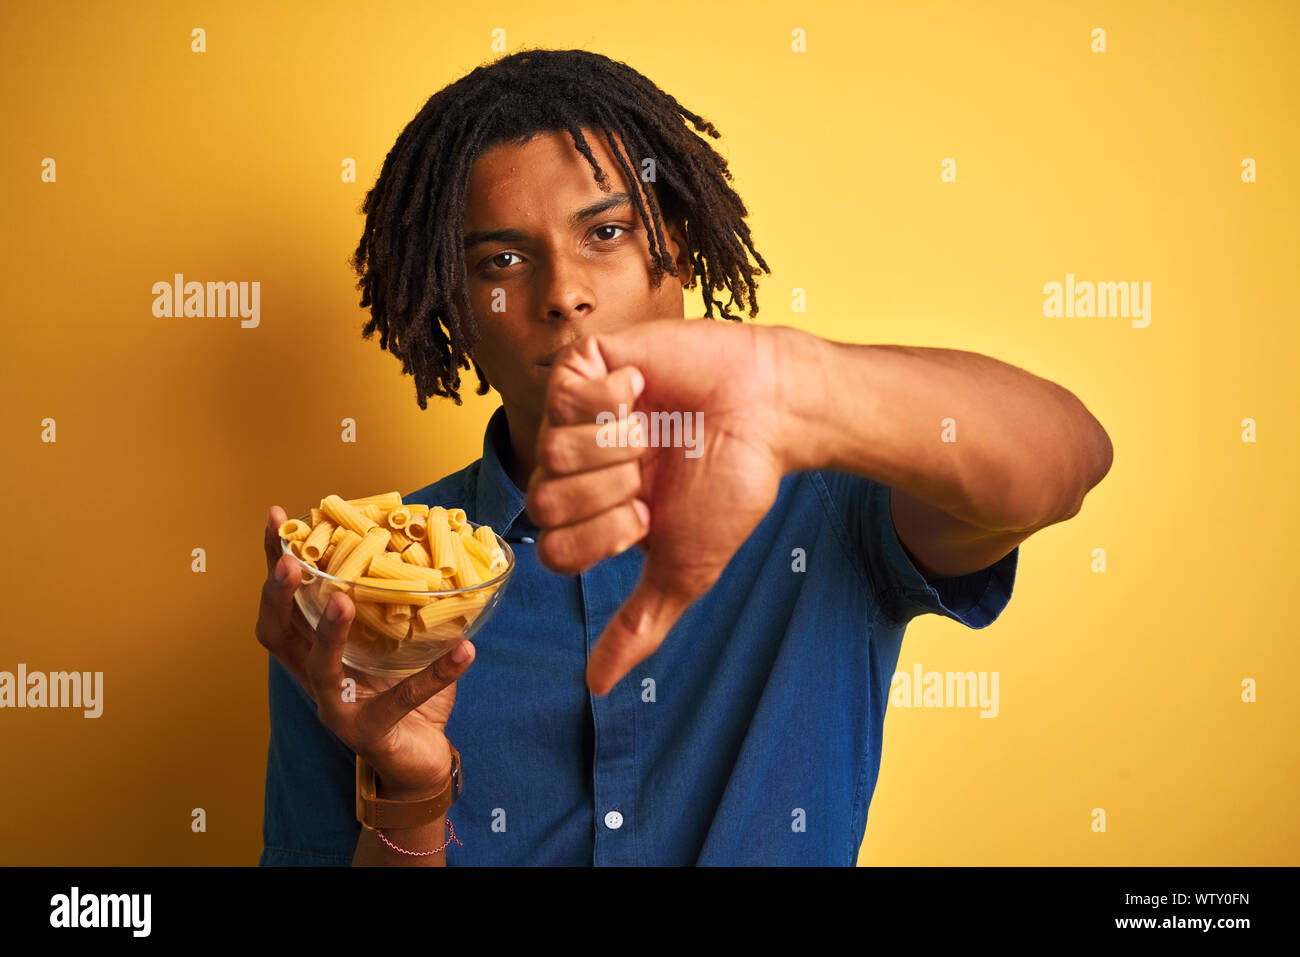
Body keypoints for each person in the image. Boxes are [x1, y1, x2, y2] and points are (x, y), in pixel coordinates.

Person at [255, 48, 1113, 866]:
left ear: (682, 247)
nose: (564, 293)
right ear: (456, 309)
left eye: (607, 232)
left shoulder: (823, 501)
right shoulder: (354, 594)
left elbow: (1066, 459)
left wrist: (796, 376)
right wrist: (410, 792)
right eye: (504, 260)